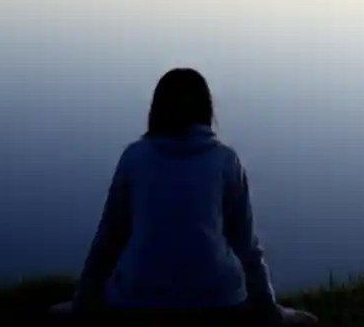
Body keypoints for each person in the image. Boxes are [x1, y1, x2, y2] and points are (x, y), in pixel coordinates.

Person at [52, 68, 317, 325]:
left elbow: (109, 239)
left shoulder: (135, 157)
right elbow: (245, 245)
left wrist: (83, 302)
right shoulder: (225, 160)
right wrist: (269, 309)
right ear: (206, 110)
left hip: (136, 302)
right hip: (219, 302)